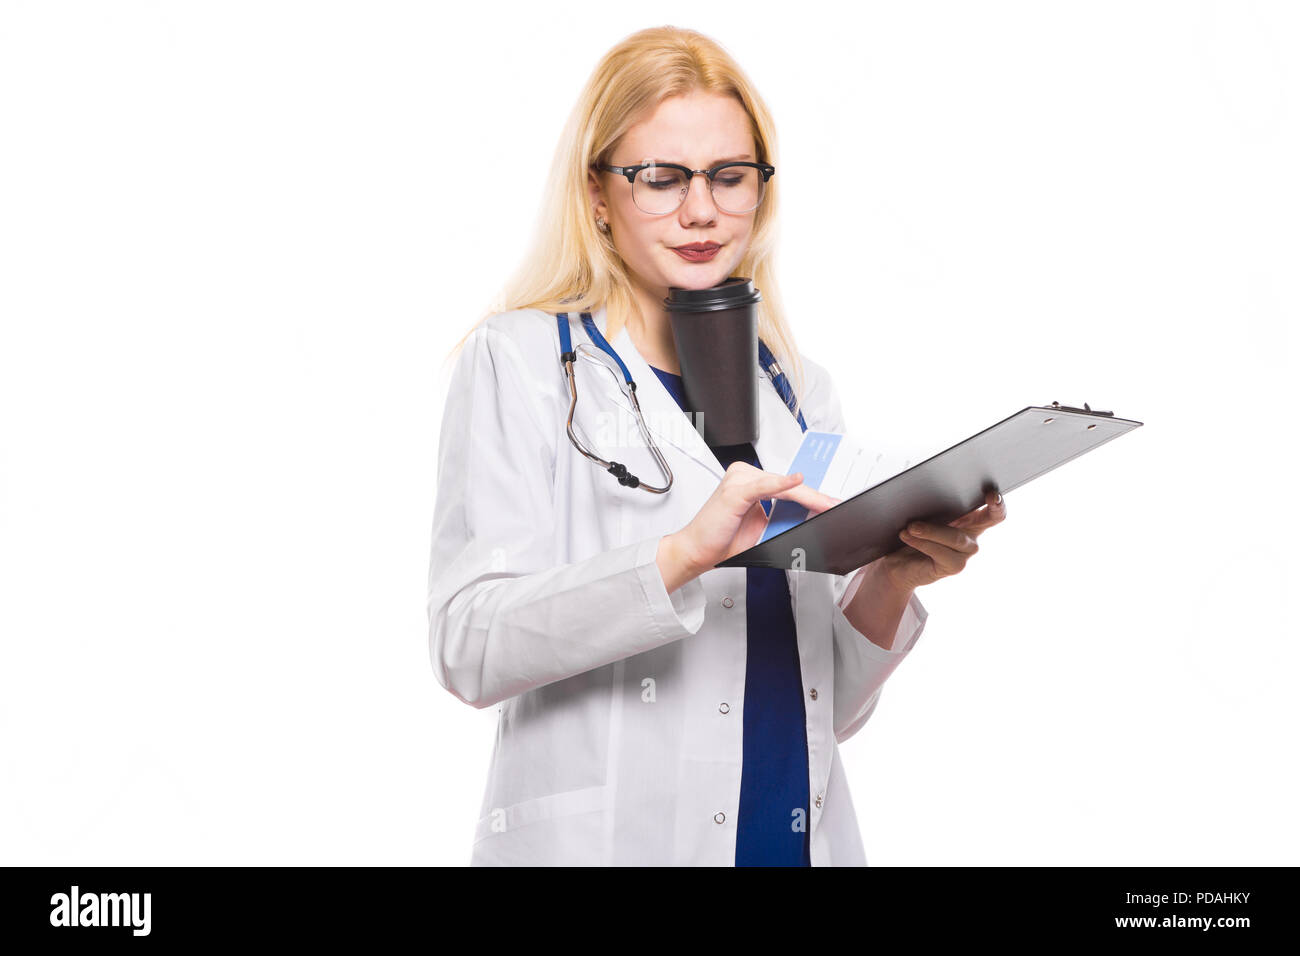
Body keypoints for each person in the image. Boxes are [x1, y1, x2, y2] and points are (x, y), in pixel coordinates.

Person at [426, 25, 1006, 866]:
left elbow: (818, 708)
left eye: (730, 176)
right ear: (597, 193)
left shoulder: (799, 390)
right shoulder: (525, 362)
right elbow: (466, 644)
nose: (701, 209)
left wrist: (889, 580)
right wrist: (678, 557)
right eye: (660, 178)